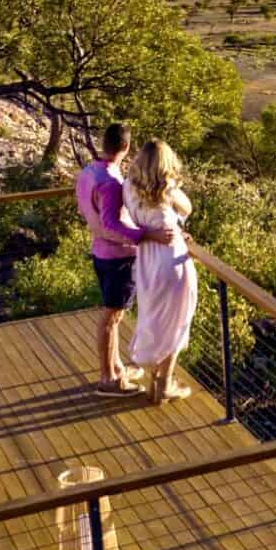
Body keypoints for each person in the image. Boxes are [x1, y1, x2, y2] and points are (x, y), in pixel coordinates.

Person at [74, 123, 170, 397]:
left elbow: (92, 215)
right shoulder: (111, 183)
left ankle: (115, 368)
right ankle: (107, 379)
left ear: (104, 143)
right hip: (117, 258)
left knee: (112, 317)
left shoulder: (88, 173)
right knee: (111, 318)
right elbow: (110, 224)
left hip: (101, 253)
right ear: (126, 147)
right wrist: (147, 234)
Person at [123, 139, 199, 403]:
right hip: (173, 259)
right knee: (178, 320)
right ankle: (164, 384)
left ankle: (156, 379)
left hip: (146, 258)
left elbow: (132, 222)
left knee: (154, 317)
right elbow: (187, 207)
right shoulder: (168, 190)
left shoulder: (128, 187)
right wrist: (173, 188)